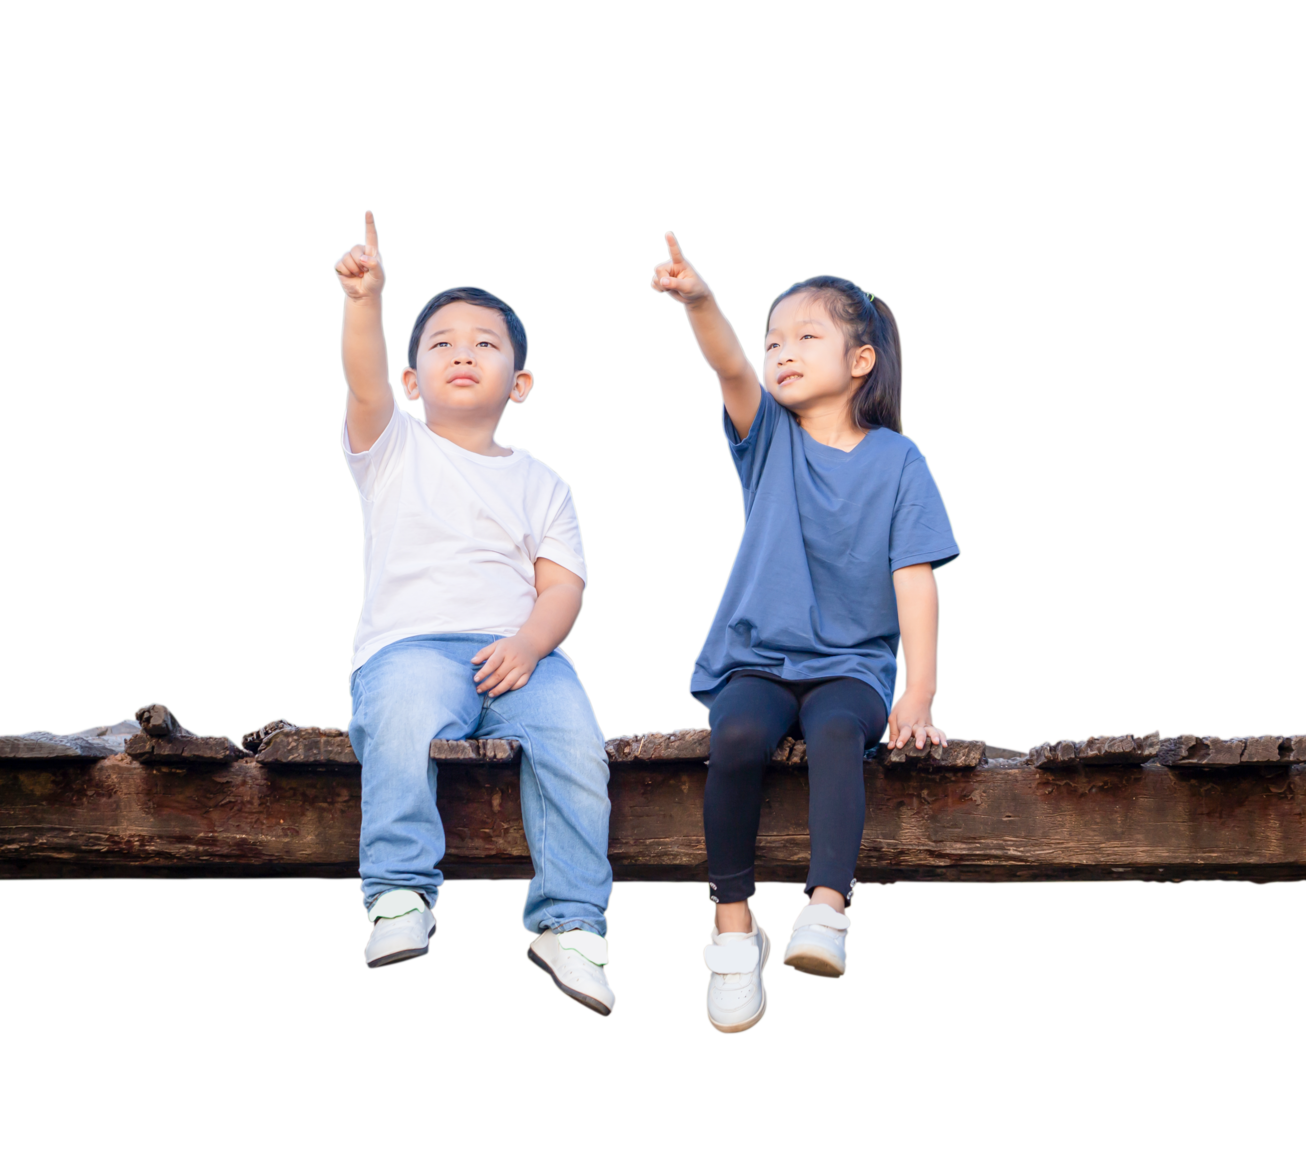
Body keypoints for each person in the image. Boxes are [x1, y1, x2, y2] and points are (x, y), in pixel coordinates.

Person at [649, 233, 961, 1036]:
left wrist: (916, 689)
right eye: (774, 340)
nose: (782, 353)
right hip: (756, 655)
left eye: (806, 338)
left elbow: (915, 577)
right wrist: (699, 301)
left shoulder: (900, 462)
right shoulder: (768, 440)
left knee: (833, 735)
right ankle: (732, 928)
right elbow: (728, 368)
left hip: (851, 667)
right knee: (741, 735)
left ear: (861, 361)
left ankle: (826, 907)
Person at [333, 207, 617, 1019]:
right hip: (411, 648)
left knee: (575, 746)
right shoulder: (394, 447)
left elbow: (562, 587)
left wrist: (530, 644)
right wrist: (365, 302)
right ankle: (398, 894)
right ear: (414, 380)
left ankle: (572, 925)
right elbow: (362, 378)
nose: (464, 352)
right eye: (443, 344)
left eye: (486, 345)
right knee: (400, 721)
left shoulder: (541, 483)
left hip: (523, 654)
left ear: (519, 384)